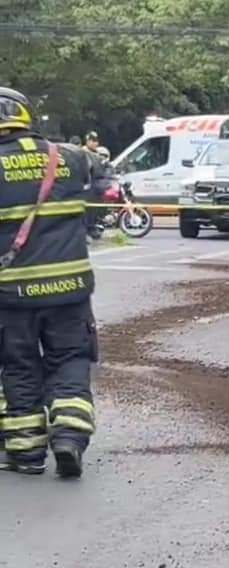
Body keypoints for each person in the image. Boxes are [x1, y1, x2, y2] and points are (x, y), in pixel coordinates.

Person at [0, 87, 107, 477]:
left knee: (20, 367)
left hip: (12, 292)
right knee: (71, 359)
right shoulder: (71, 157)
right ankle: (69, 437)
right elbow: (104, 188)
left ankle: (26, 454)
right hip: (70, 290)